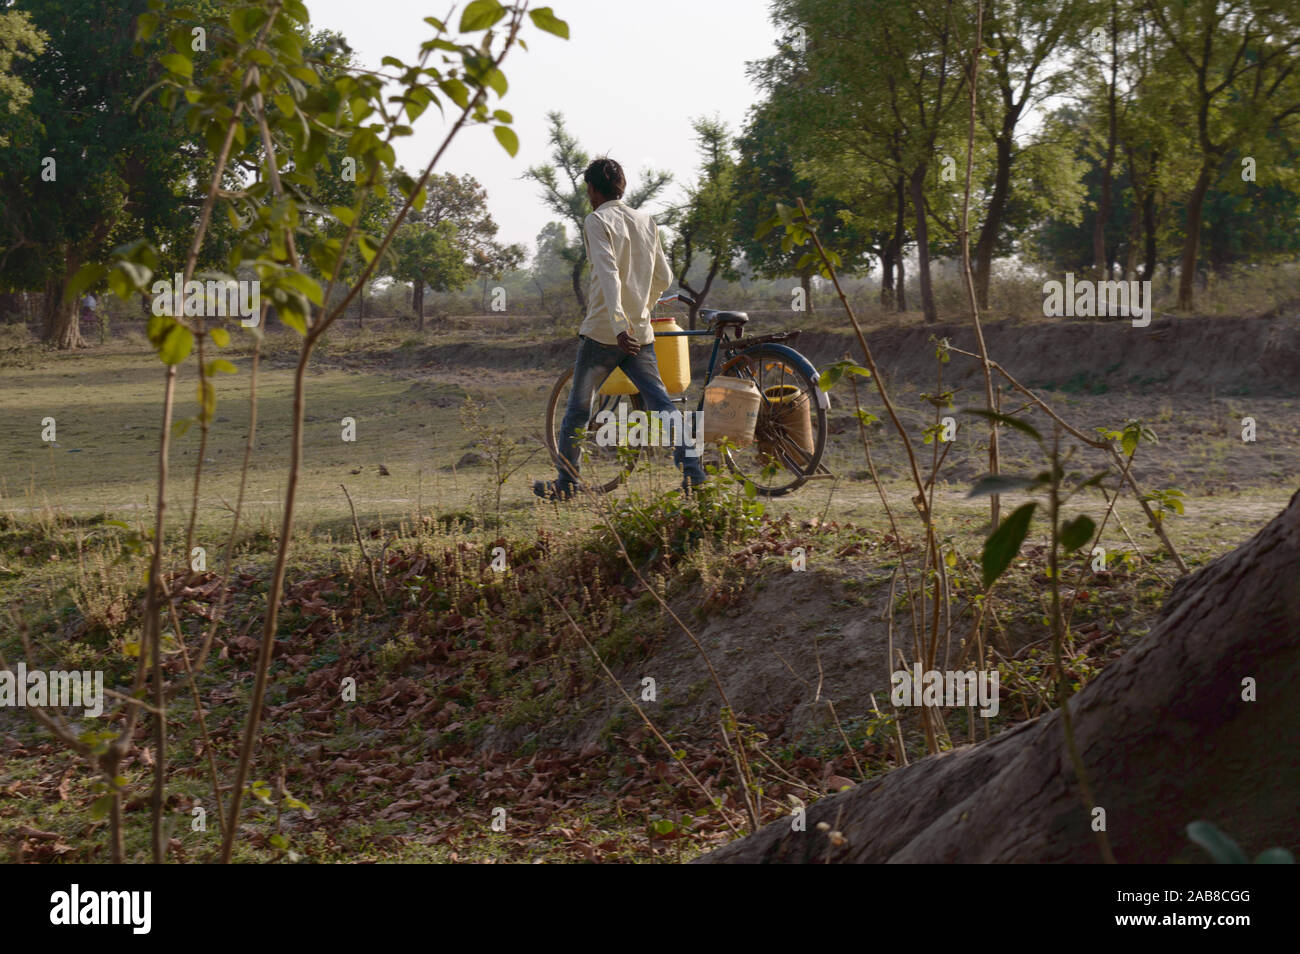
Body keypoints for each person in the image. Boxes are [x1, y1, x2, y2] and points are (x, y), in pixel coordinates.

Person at [535, 157, 707, 501]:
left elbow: (608, 273)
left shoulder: (597, 221)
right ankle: (694, 472)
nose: (589, 195)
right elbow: (664, 278)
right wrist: (640, 309)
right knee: (661, 405)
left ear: (594, 190)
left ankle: (567, 484)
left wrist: (617, 324)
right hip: (640, 334)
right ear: (622, 187)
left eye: (588, 189)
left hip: (604, 333)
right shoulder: (646, 221)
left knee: (578, 411)